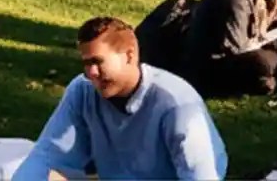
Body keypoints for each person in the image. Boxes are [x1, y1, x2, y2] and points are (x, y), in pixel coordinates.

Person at [14, 17, 227, 181]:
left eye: (98, 62)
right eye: (86, 63)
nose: (92, 73)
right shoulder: (83, 91)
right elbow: (48, 156)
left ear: (129, 55)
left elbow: (201, 175)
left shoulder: (176, 104)